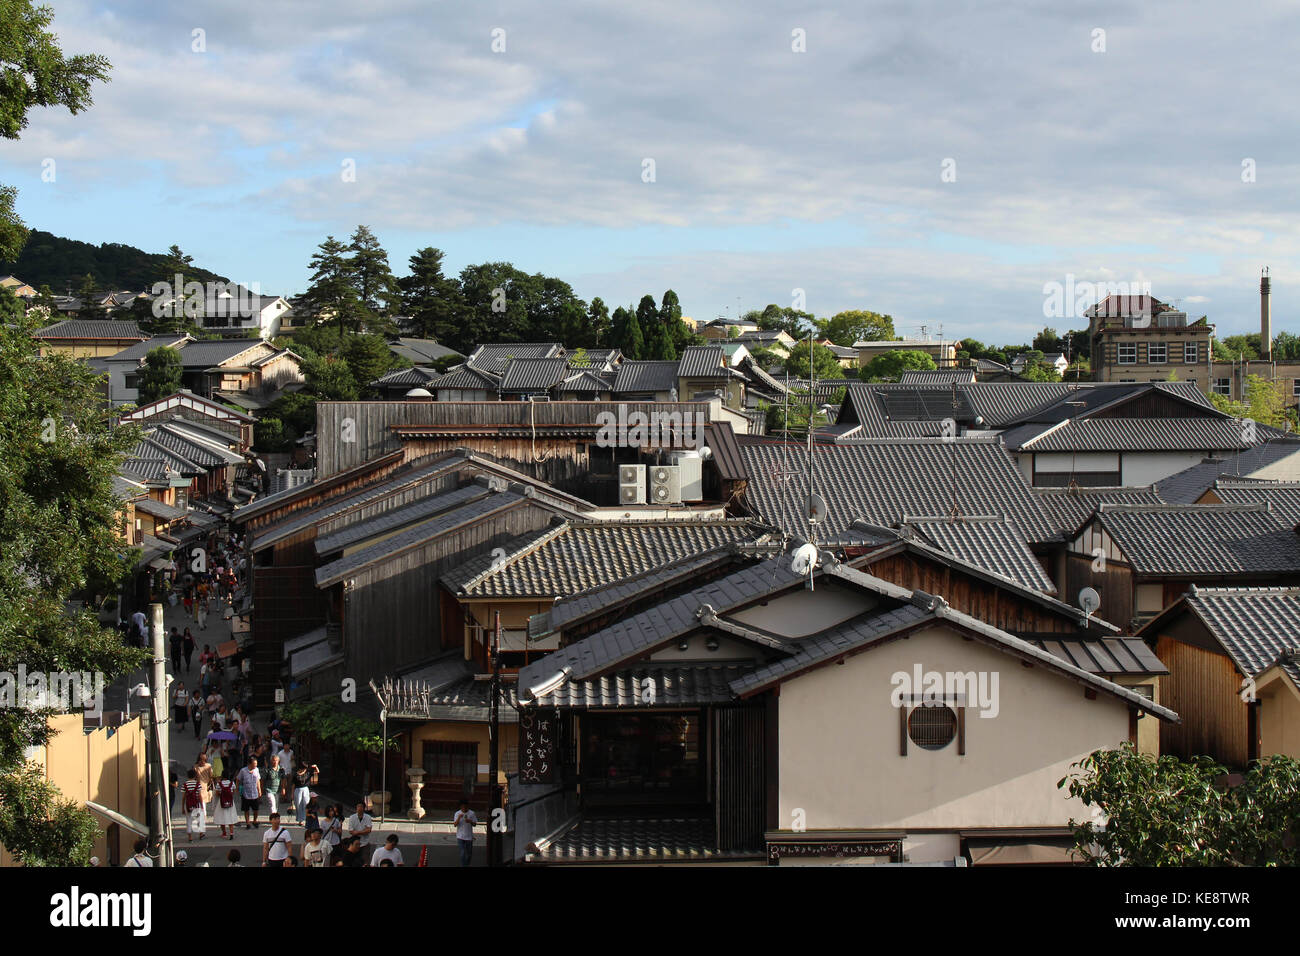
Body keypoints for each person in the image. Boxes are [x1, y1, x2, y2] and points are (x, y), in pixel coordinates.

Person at [236, 756, 263, 830]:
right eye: (254, 764)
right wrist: (237, 788)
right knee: (246, 809)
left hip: (255, 793)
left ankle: (254, 820)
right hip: (246, 793)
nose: (256, 765)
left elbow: (258, 780)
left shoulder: (256, 770)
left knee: (256, 809)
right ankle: (248, 822)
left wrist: (259, 790)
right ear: (250, 764)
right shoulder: (243, 771)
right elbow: (238, 779)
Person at [181, 768, 206, 842]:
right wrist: (202, 806)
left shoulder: (185, 785)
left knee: (188, 820)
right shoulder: (198, 784)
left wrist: (182, 807)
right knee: (199, 819)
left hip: (188, 805)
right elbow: (200, 796)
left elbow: (183, 797)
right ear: (195, 776)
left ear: (188, 776)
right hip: (196, 804)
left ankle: (190, 837)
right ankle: (201, 834)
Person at [214, 771, 239, 839]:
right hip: (230, 802)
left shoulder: (219, 784)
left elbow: (217, 793)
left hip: (221, 802)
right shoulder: (232, 783)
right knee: (230, 817)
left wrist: (222, 795)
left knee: (222, 817)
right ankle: (231, 833)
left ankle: (224, 833)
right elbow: (233, 791)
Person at [454, 800, 477, 867]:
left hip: (469, 837)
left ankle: (467, 864)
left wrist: (470, 821)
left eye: (465, 807)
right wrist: (459, 818)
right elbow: (455, 825)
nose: (464, 808)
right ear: (460, 807)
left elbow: (475, 824)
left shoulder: (472, 813)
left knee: (469, 854)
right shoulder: (457, 813)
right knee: (462, 853)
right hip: (460, 836)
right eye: (463, 807)